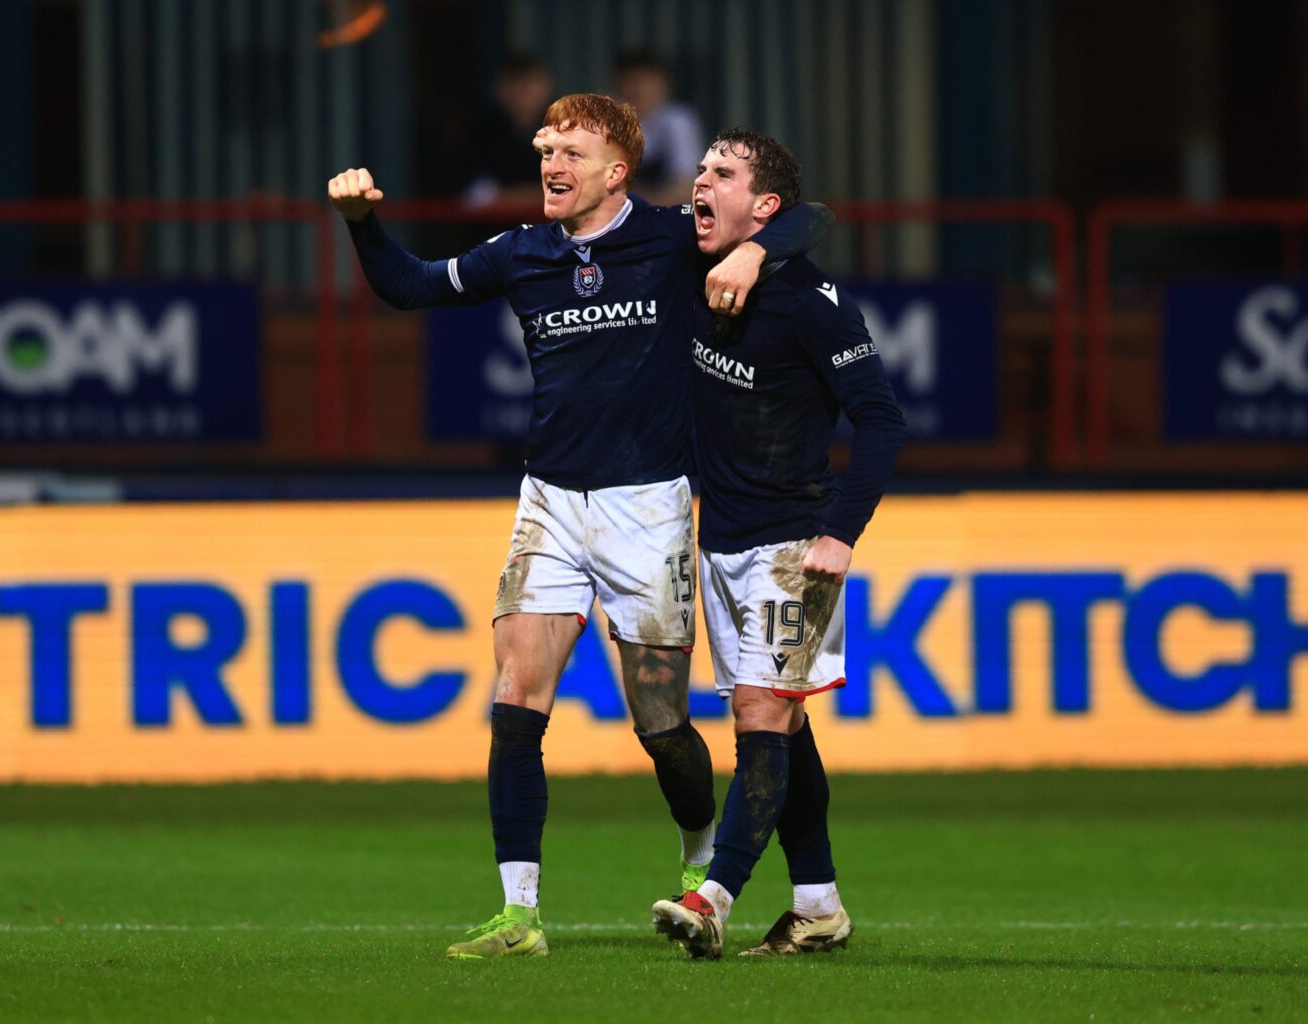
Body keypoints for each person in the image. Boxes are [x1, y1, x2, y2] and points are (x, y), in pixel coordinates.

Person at [327, 95, 834, 959]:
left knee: (662, 726)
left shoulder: (672, 238)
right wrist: (361, 224)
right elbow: (409, 287)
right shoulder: (520, 252)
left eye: (571, 152)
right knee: (515, 701)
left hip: (650, 507)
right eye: (547, 151)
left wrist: (751, 250)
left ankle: (699, 850)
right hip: (551, 502)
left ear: (617, 171)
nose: (551, 165)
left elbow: (810, 218)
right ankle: (518, 914)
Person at [650, 128, 906, 959]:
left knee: (761, 713)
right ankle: (819, 906)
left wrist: (841, 534)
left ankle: (713, 896)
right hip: (721, 543)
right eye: (700, 168)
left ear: (764, 206)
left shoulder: (812, 304)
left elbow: (881, 420)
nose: (700, 181)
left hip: (794, 545)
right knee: (784, 726)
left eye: (721, 172)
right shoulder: (690, 263)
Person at [461, 53, 554, 206]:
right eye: (517, 85)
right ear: (500, 89)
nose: (524, 95)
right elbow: (475, 193)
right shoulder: (481, 133)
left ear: (546, 88)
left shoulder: (563, 130)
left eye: (531, 85)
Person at [613, 50, 701, 205]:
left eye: (647, 82)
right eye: (632, 82)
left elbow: (686, 187)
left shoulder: (678, 122)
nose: (639, 89)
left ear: (664, 85)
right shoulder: (605, 122)